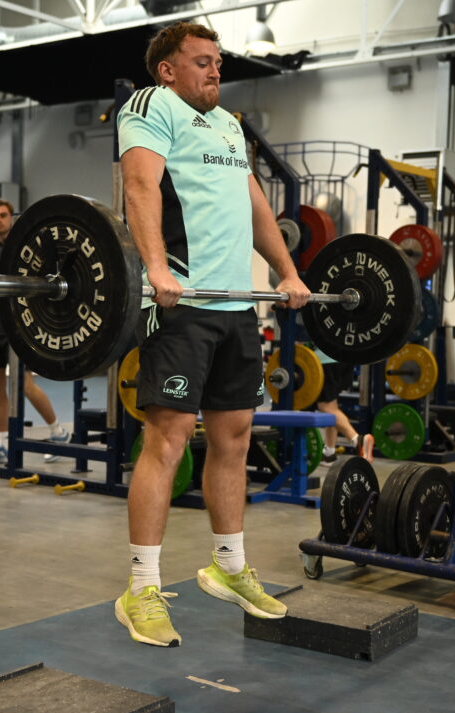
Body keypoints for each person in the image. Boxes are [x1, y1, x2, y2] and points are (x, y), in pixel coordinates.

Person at [115, 21, 311, 647]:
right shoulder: (151, 106)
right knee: (168, 440)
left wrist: (286, 270)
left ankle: (228, 569)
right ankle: (141, 586)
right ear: (167, 69)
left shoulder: (229, 126)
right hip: (182, 299)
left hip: (235, 307)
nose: (215, 72)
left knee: (235, 435)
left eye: (218, 63)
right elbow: (140, 184)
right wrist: (152, 267)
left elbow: (254, 202)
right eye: (202, 62)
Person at [0, 199, 69, 465]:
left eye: (2, 215)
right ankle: (1, 444)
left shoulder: (26, 251)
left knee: (25, 385)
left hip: (16, 328)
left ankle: (58, 432)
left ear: (11, 218)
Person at [310, 348, 373, 464]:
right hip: (345, 360)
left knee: (325, 406)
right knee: (332, 407)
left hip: (325, 361)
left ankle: (358, 440)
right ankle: (329, 452)